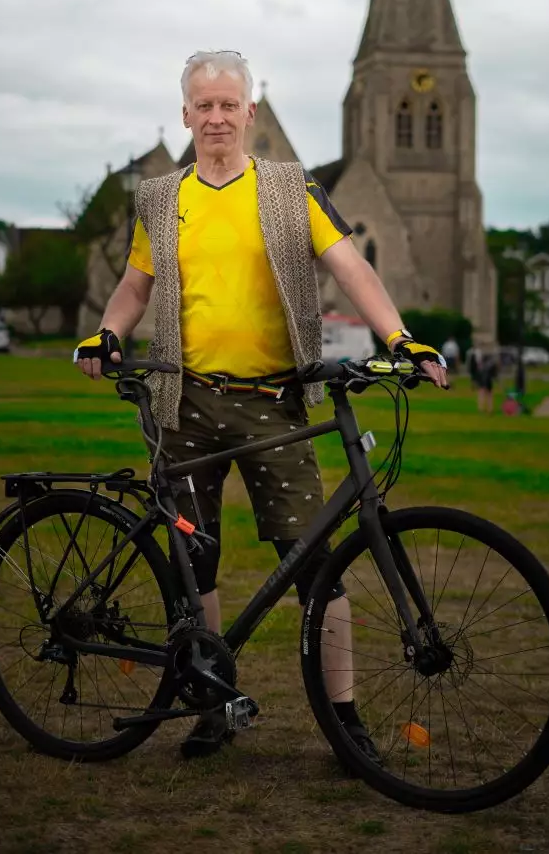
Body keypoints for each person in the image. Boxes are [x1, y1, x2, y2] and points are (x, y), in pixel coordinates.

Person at [74, 50, 448, 763]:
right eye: (203, 106)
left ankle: (346, 723)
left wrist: (400, 336)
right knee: (198, 563)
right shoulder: (162, 197)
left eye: (228, 105)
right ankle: (211, 704)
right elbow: (134, 285)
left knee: (316, 566)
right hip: (184, 404)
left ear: (249, 113)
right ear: (187, 115)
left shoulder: (288, 188)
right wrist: (108, 331)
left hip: (275, 406)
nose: (216, 117)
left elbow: (351, 265)